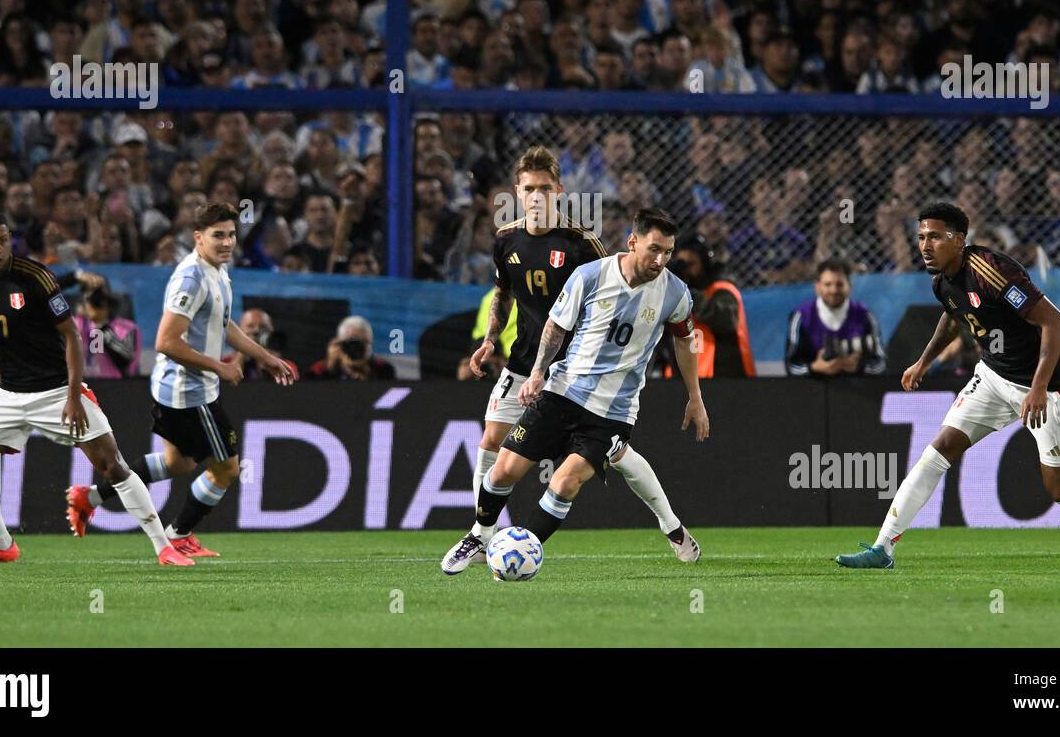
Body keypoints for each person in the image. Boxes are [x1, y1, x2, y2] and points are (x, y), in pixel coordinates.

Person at [836, 203, 1060, 569]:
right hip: (994, 377)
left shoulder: (993, 272)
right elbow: (954, 316)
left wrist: (1039, 388)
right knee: (938, 451)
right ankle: (883, 549)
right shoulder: (942, 281)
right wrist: (924, 361)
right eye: (920, 237)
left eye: (934, 236)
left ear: (958, 239)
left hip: (1052, 386)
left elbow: (1055, 324)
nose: (925, 245)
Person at [449, 149, 699, 570]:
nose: (536, 196)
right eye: (528, 189)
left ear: (558, 191)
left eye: (544, 189)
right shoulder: (506, 240)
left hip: (587, 379)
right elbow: (504, 293)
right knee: (496, 448)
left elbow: (618, 309)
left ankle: (669, 524)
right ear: (517, 192)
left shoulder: (584, 248)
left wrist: (680, 387)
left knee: (588, 469)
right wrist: (492, 340)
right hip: (533, 368)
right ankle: (480, 536)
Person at [0, 211, 192, 566]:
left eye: (2, 241)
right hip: (8, 394)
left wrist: (72, 396)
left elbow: (71, 335)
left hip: (56, 390)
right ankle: (2, 544)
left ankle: (164, 548)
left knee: (112, 465)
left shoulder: (35, 277)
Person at [65, 203, 297, 557]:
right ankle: (178, 535)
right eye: (218, 235)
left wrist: (264, 357)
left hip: (177, 387)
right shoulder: (192, 278)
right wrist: (218, 366)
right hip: (190, 393)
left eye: (231, 234)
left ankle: (89, 497)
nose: (227, 242)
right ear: (198, 238)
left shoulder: (217, 271)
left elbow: (221, 322)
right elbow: (166, 341)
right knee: (227, 470)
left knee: (178, 464)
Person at [664, 232, 755, 377]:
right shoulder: (670, 293)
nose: (686, 270)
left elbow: (726, 320)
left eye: (690, 264)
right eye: (681, 264)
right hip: (684, 382)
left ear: (705, 263)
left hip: (725, 379)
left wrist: (686, 295)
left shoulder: (723, 288)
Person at [785, 259, 886, 377]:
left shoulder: (865, 316)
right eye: (828, 284)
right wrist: (814, 368)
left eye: (839, 284)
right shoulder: (801, 317)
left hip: (856, 390)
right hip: (813, 390)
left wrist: (859, 367)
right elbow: (790, 366)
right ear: (817, 287)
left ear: (849, 286)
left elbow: (882, 364)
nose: (833, 290)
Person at [72, 279, 143, 378]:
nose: (92, 304)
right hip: (85, 385)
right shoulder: (79, 324)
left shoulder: (127, 328)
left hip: (114, 385)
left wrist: (101, 325)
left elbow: (126, 360)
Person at [307, 316, 396, 379]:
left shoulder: (384, 369)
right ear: (339, 343)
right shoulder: (320, 369)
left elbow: (390, 399)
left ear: (371, 343)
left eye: (363, 342)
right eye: (351, 342)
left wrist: (368, 374)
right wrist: (330, 367)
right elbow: (310, 395)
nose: (356, 347)